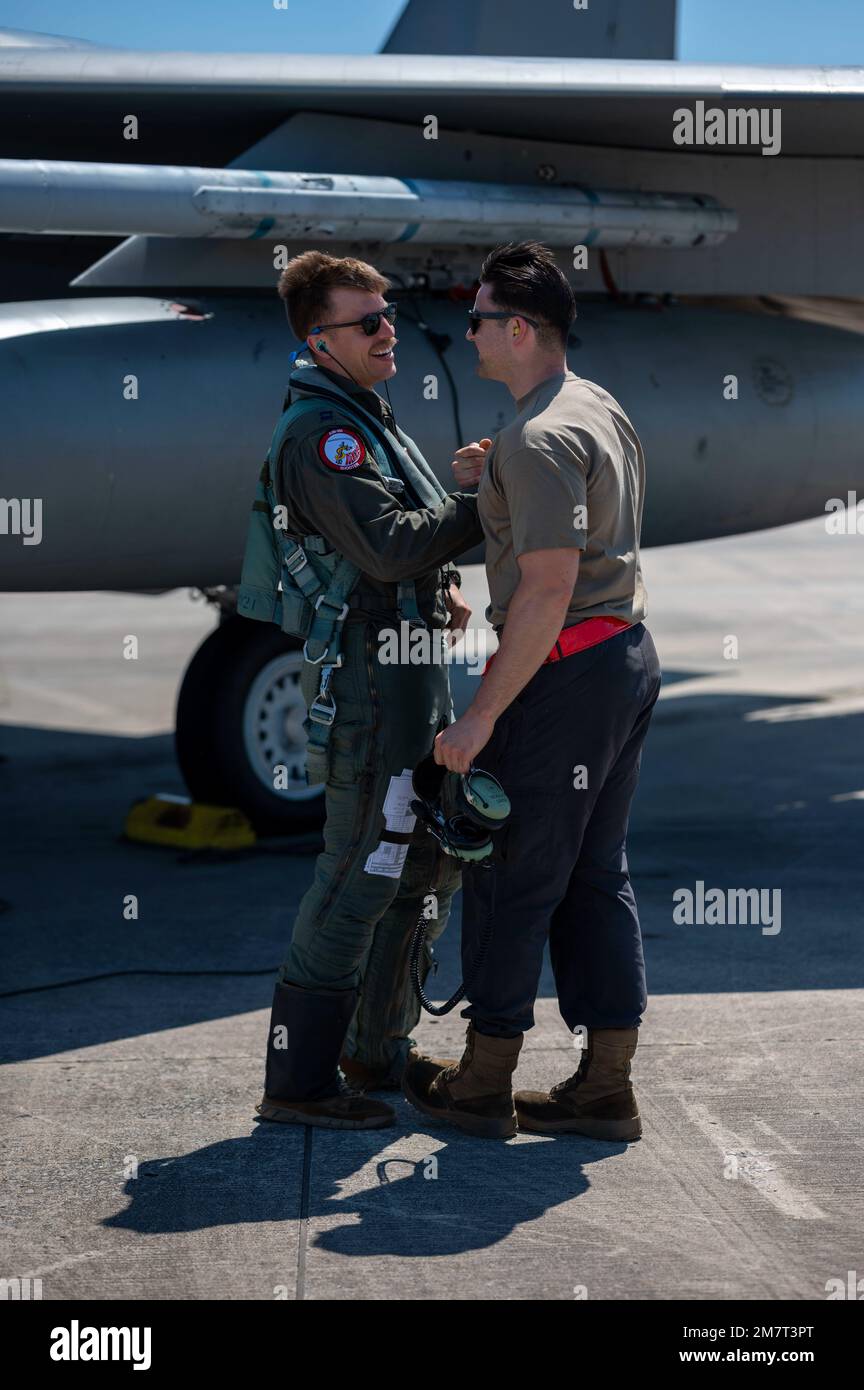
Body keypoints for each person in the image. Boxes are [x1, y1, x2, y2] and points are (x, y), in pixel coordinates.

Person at [403, 241, 662, 1141]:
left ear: (517, 329)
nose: (464, 332)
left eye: (475, 319)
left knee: (513, 875)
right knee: (596, 874)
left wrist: (481, 716)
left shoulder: (539, 437)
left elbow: (547, 588)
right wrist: (495, 485)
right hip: (623, 655)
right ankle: (606, 1085)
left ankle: (483, 1085)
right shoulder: (589, 408)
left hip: (565, 673)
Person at [252, 251, 484, 1129]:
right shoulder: (326, 432)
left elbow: (396, 552)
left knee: (423, 866)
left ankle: (375, 1051)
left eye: (388, 315)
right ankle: (298, 1083)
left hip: (410, 675)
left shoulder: (368, 414)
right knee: (358, 871)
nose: (391, 331)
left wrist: (443, 584)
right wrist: (485, 499)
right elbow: (387, 545)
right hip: (371, 690)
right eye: (369, 322)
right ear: (321, 339)